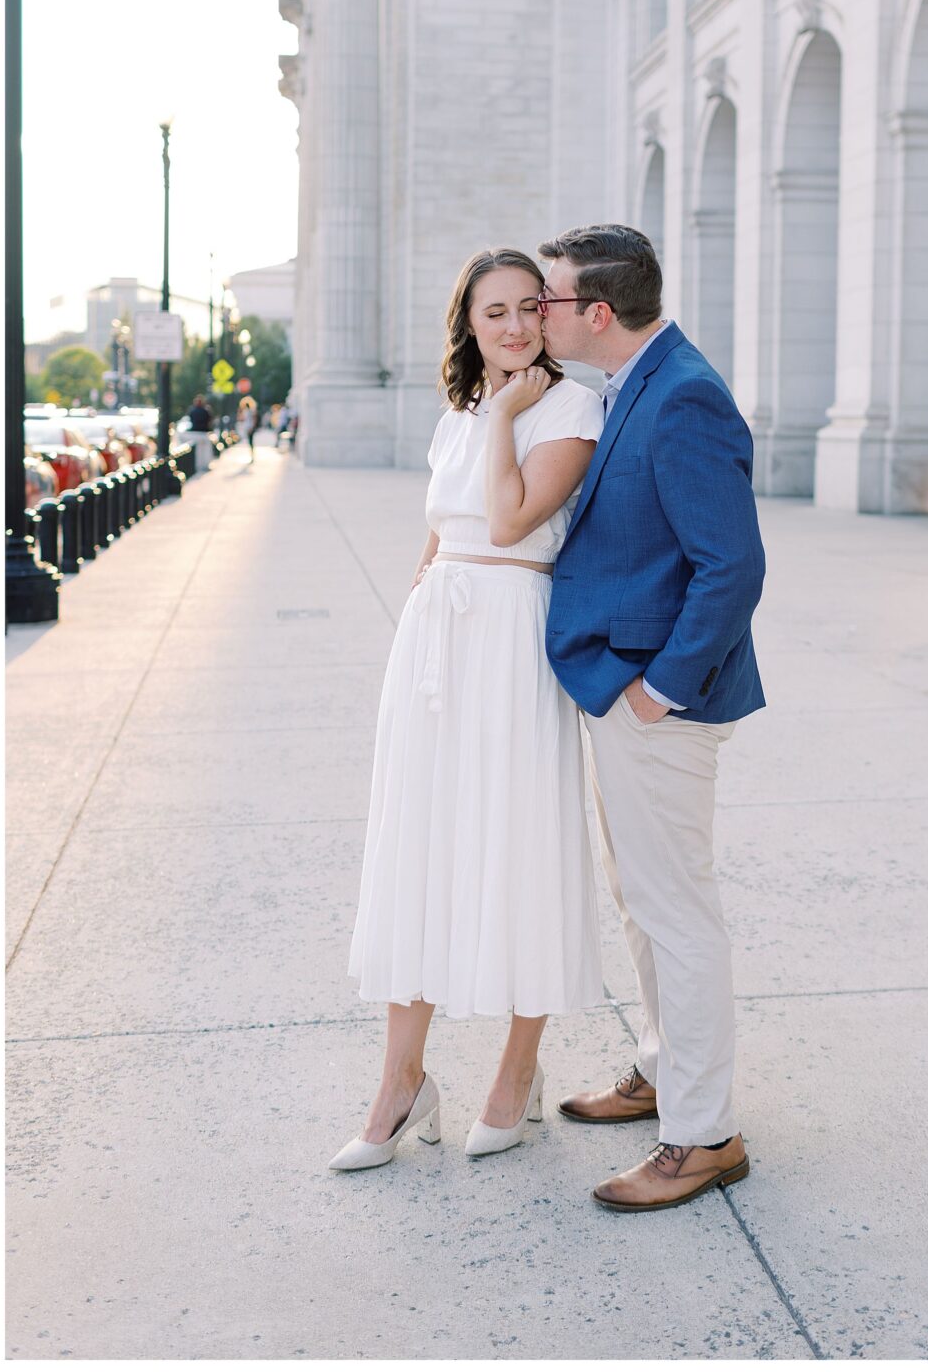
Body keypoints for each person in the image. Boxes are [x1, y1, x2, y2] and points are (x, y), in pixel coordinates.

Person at [330, 247, 605, 1173]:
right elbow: (443, 532)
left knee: (519, 843)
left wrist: (509, 418)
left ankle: (516, 1074)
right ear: (469, 325)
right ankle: (401, 1082)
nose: (517, 326)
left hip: (514, 634)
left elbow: (513, 518)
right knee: (420, 845)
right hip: (438, 639)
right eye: (496, 313)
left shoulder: (568, 407)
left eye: (530, 307)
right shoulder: (458, 413)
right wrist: (416, 623)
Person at [538, 223, 766, 1213]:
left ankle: (703, 1134)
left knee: (676, 913)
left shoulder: (684, 397)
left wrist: (658, 688)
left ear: (597, 312)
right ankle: (663, 1069)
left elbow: (733, 566)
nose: (538, 312)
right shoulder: (629, 384)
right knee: (643, 900)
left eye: (549, 299)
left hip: (660, 704)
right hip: (622, 690)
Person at [236, 395, 259, 463]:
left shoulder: (251, 411)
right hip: (247, 427)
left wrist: (252, 427)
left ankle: (252, 455)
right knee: (250, 441)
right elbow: (241, 419)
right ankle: (252, 455)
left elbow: (254, 420)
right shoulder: (247, 411)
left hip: (250, 427)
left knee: (250, 441)